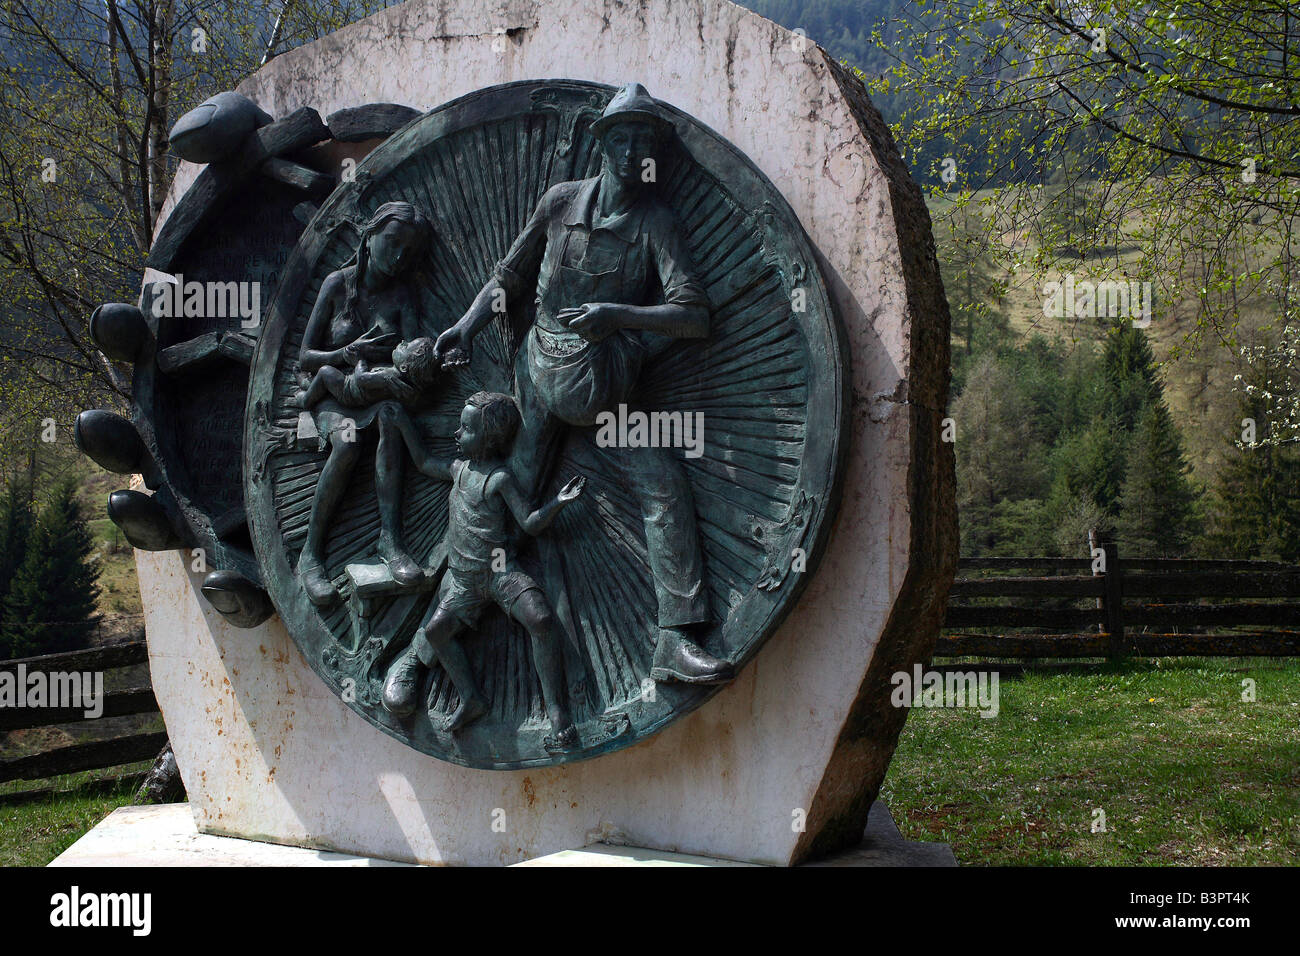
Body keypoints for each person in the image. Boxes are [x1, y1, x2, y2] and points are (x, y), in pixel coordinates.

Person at [433, 83, 733, 685]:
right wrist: (466, 327)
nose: (632, 152)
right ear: (601, 143)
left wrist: (618, 316)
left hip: (608, 391)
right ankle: (425, 651)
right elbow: (511, 276)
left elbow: (695, 314)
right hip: (537, 379)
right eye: (621, 138)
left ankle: (674, 640)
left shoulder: (656, 224)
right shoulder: (560, 203)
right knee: (486, 509)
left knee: (664, 483)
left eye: (643, 141)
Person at [380, 393, 582, 749]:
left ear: (488, 439)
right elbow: (424, 461)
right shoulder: (458, 470)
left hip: (500, 572)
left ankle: (558, 714)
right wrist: (402, 424)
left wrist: (558, 503)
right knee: (436, 633)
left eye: (467, 429)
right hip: (463, 581)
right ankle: (471, 696)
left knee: (541, 619)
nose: (457, 434)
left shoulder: (500, 479)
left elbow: (530, 522)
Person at [295, 201, 434, 605]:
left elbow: (410, 354)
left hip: (374, 390)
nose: (396, 256)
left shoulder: (403, 296)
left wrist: (423, 363)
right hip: (329, 392)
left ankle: (390, 542)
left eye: (406, 250)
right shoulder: (337, 285)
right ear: (369, 236)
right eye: (391, 243)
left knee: (392, 418)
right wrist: (345, 353)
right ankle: (311, 554)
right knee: (349, 440)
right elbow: (305, 356)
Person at [291, 336, 441, 410]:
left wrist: (359, 361)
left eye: (405, 346)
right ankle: (308, 385)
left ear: (404, 367)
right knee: (324, 381)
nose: (402, 342)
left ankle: (305, 399)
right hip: (354, 390)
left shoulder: (388, 377)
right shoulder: (406, 383)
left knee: (325, 372)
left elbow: (362, 379)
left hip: (348, 390)